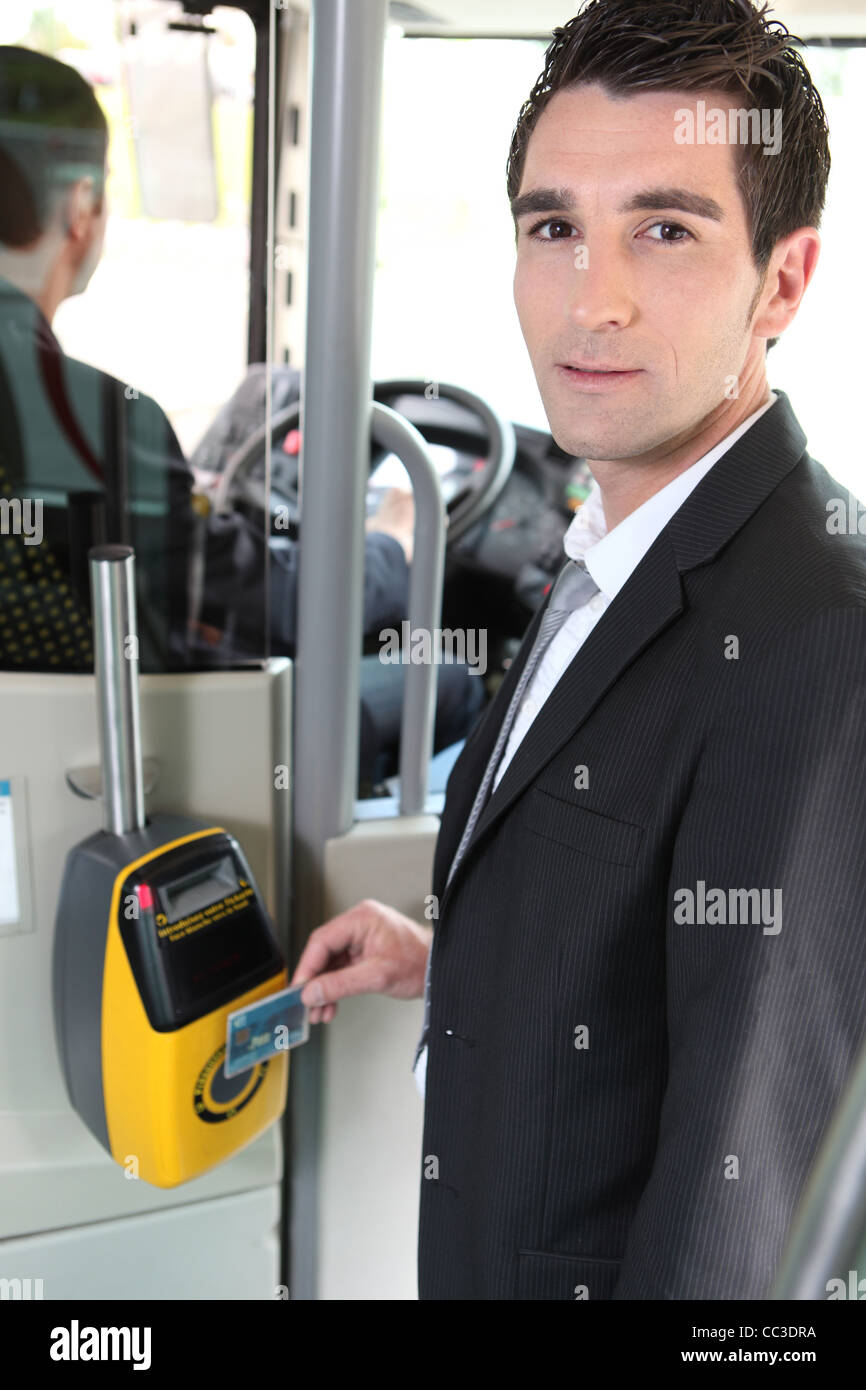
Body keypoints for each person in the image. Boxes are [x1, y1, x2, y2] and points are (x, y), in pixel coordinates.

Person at [290, 0, 866, 1300]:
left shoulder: (815, 640)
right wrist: (458, 954)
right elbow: (667, 946)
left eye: (663, 229)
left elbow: (744, 1205)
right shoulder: (617, 535)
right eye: (553, 226)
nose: (587, 296)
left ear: (782, 279)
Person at [0, 46, 483, 774]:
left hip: (39, 764)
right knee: (448, 677)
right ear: (79, 210)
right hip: (130, 766)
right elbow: (284, 609)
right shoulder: (102, 423)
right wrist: (392, 543)